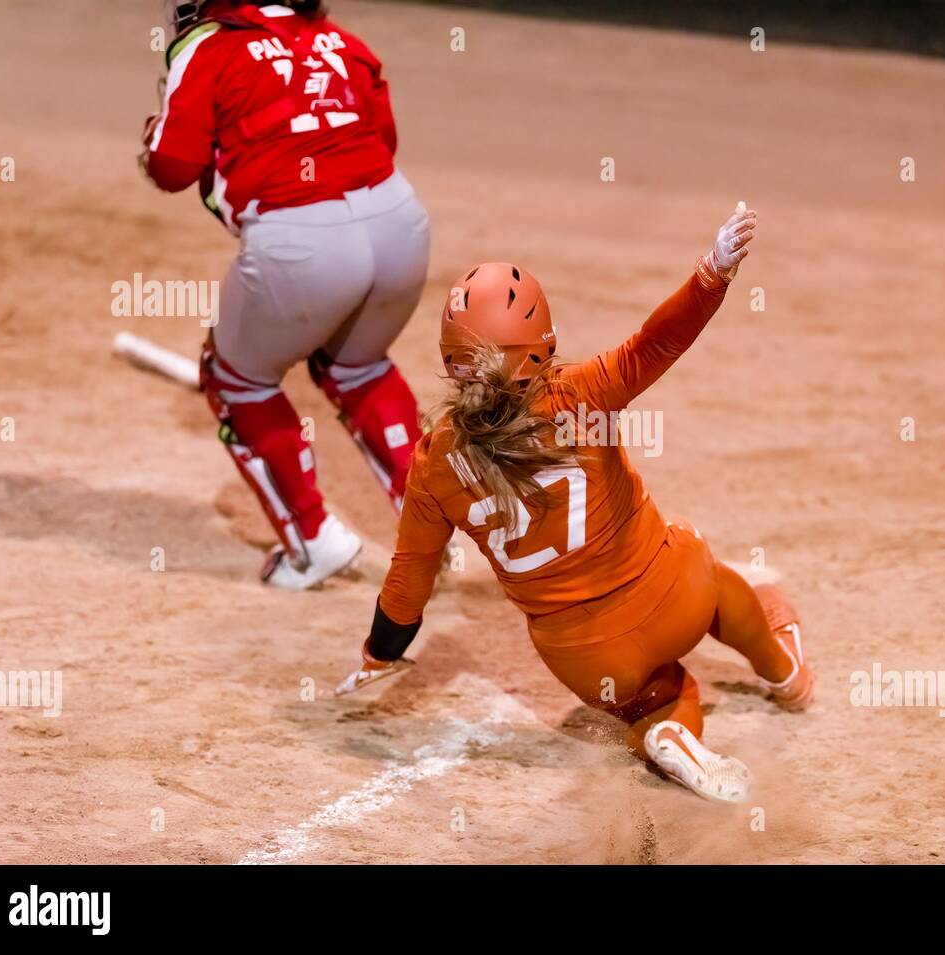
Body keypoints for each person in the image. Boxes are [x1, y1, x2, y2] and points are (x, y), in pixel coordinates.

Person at [335, 203, 814, 803]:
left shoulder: (433, 462)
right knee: (705, 566)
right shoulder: (576, 395)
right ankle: (785, 672)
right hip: (673, 594)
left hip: (583, 657)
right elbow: (656, 344)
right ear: (539, 344)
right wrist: (711, 273)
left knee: (662, 697)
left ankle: (668, 729)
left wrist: (379, 654)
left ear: (452, 358)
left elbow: (409, 581)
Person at [139, 1, 430, 588]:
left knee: (235, 380)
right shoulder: (341, 40)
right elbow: (383, 139)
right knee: (358, 366)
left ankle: (313, 544)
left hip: (305, 241)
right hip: (401, 223)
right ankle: (431, 523)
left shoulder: (209, 45)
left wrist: (154, 138)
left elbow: (173, 166)